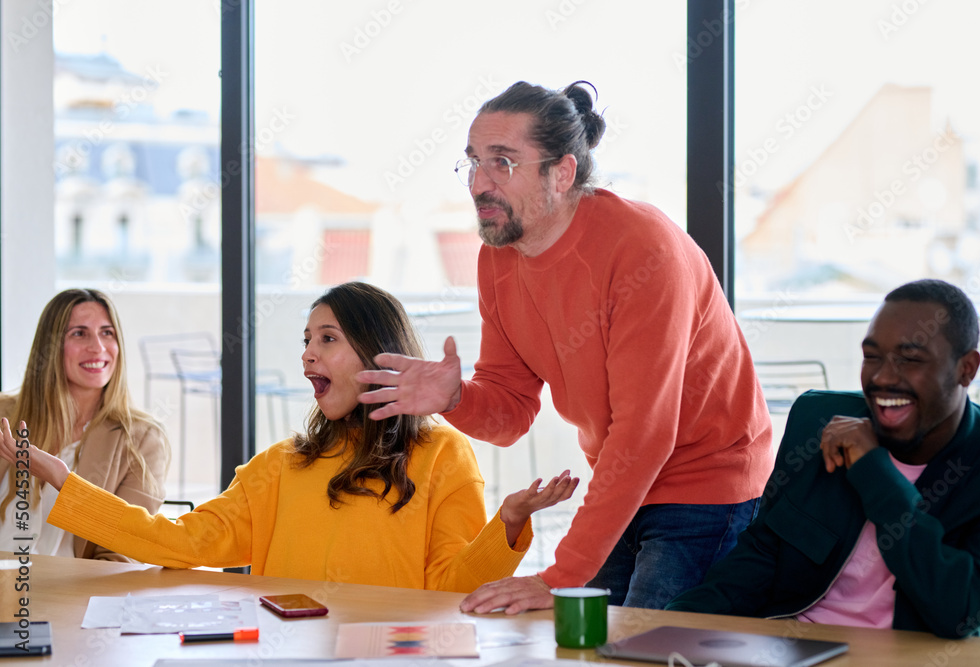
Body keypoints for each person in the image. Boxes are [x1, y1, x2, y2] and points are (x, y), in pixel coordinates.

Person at [357, 81, 773, 612]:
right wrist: (454, 399)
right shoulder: (498, 258)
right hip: (622, 481)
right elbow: (509, 413)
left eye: (502, 163)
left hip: (706, 483)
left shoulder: (642, 249)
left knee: (642, 645)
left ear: (563, 172)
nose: (479, 184)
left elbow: (645, 434)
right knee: (576, 641)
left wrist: (557, 578)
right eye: (473, 163)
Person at [0, 282, 578, 593]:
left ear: (377, 350)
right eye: (306, 338)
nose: (306, 353)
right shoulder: (280, 465)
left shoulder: (444, 455)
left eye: (327, 339)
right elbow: (177, 542)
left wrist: (506, 526)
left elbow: (449, 585)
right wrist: (61, 480)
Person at [668, 279, 980, 638]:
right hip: (792, 649)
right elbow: (759, 560)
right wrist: (670, 627)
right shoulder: (818, 421)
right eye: (872, 357)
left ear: (967, 368)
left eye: (910, 359)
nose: (884, 377)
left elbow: (961, 612)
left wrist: (875, 471)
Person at [0, 288, 169, 561]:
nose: (98, 348)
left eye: (107, 333)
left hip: (73, 600)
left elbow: (124, 555)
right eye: (79, 333)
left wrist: (60, 479)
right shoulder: (3, 415)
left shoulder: (142, 440)